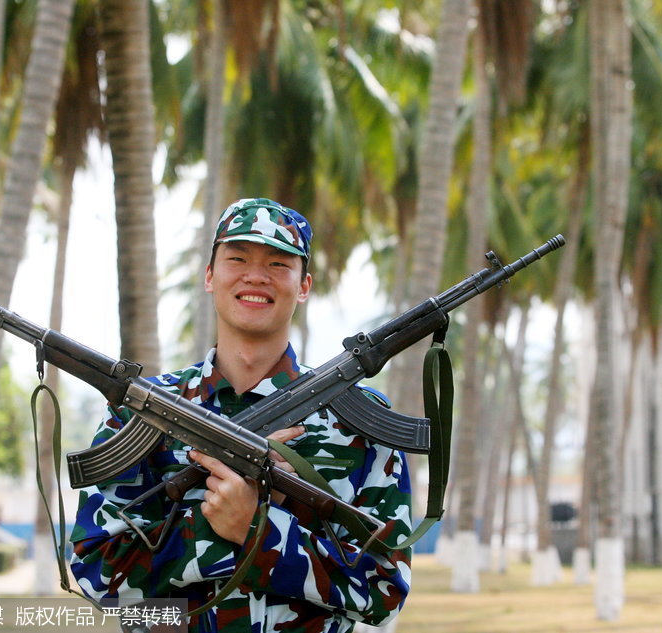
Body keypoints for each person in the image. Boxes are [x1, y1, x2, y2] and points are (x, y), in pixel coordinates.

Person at [70, 199, 413, 633]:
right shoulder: (143, 412)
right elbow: (96, 577)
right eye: (237, 258)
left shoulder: (357, 422)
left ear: (303, 285)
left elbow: (386, 591)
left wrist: (262, 530)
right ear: (210, 277)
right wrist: (216, 528)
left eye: (277, 262)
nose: (256, 275)